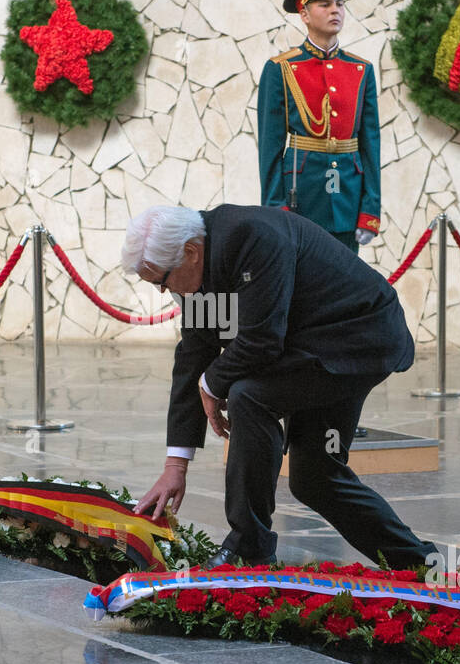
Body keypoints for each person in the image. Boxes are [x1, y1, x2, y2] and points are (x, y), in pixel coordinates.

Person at [123, 204, 436, 569]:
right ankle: (419, 563)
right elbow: (193, 353)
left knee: (250, 395)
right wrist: (175, 465)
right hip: (314, 345)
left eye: (161, 281)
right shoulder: (200, 256)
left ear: (190, 252)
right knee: (315, 478)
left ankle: (249, 546)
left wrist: (211, 384)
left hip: (359, 337)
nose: (163, 292)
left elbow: (261, 340)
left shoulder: (249, 236)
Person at [257, 0, 380, 255]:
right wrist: (276, 208)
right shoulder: (281, 68)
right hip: (301, 196)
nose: (335, 10)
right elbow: (270, 148)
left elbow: (370, 144)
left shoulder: (361, 69)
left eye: (339, 3)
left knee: (346, 287)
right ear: (304, 14)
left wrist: (370, 209)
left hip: (348, 196)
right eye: (324, 4)